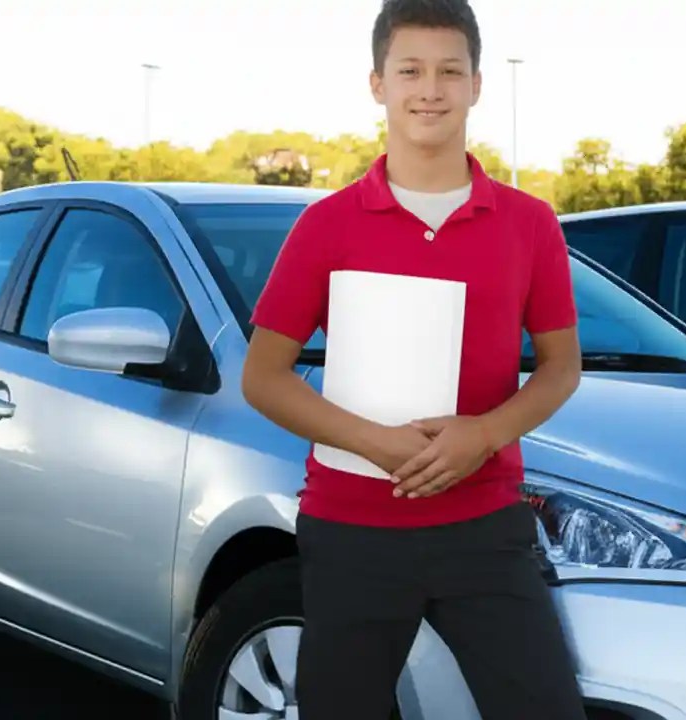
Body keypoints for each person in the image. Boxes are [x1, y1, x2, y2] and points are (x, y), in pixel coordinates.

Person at [241, 1, 587, 718]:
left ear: (476, 85)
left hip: (484, 526)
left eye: (448, 71)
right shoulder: (324, 225)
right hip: (352, 530)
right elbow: (262, 377)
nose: (429, 89)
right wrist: (378, 443)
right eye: (410, 70)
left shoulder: (530, 224)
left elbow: (560, 366)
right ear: (378, 84)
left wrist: (484, 435)